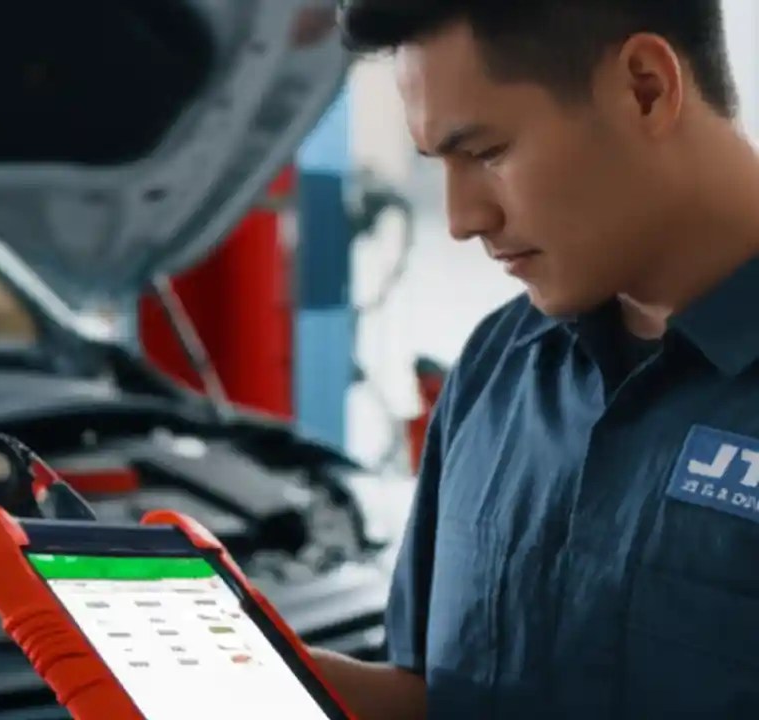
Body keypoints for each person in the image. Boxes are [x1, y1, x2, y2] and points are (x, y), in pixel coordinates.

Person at [306, 1, 759, 718]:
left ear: (645, 87)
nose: (461, 219)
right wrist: (254, 673)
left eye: (487, 153)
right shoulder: (497, 369)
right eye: (440, 163)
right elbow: (439, 699)